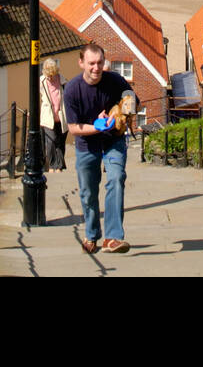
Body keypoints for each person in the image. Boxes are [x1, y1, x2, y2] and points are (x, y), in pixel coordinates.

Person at [63, 44, 137, 254]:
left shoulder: (114, 80)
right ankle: (92, 234)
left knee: (116, 178)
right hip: (87, 144)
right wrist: (97, 125)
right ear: (81, 63)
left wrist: (122, 111)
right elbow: (73, 128)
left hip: (113, 140)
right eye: (91, 63)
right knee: (88, 191)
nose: (96, 68)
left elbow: (130, 97)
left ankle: (112, 238)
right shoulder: (72, 90)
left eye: (100, 63)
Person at [38, 57, 69, 171]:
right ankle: (51, 166)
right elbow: (36, 98)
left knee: (60, 143)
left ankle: (60, 166)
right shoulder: (41, 82)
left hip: (62, 116)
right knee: (51, 142)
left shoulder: (62, 80)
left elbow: (69, 96)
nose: (50, 78)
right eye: (48, 75)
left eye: (52, 75)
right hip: (48, 116)